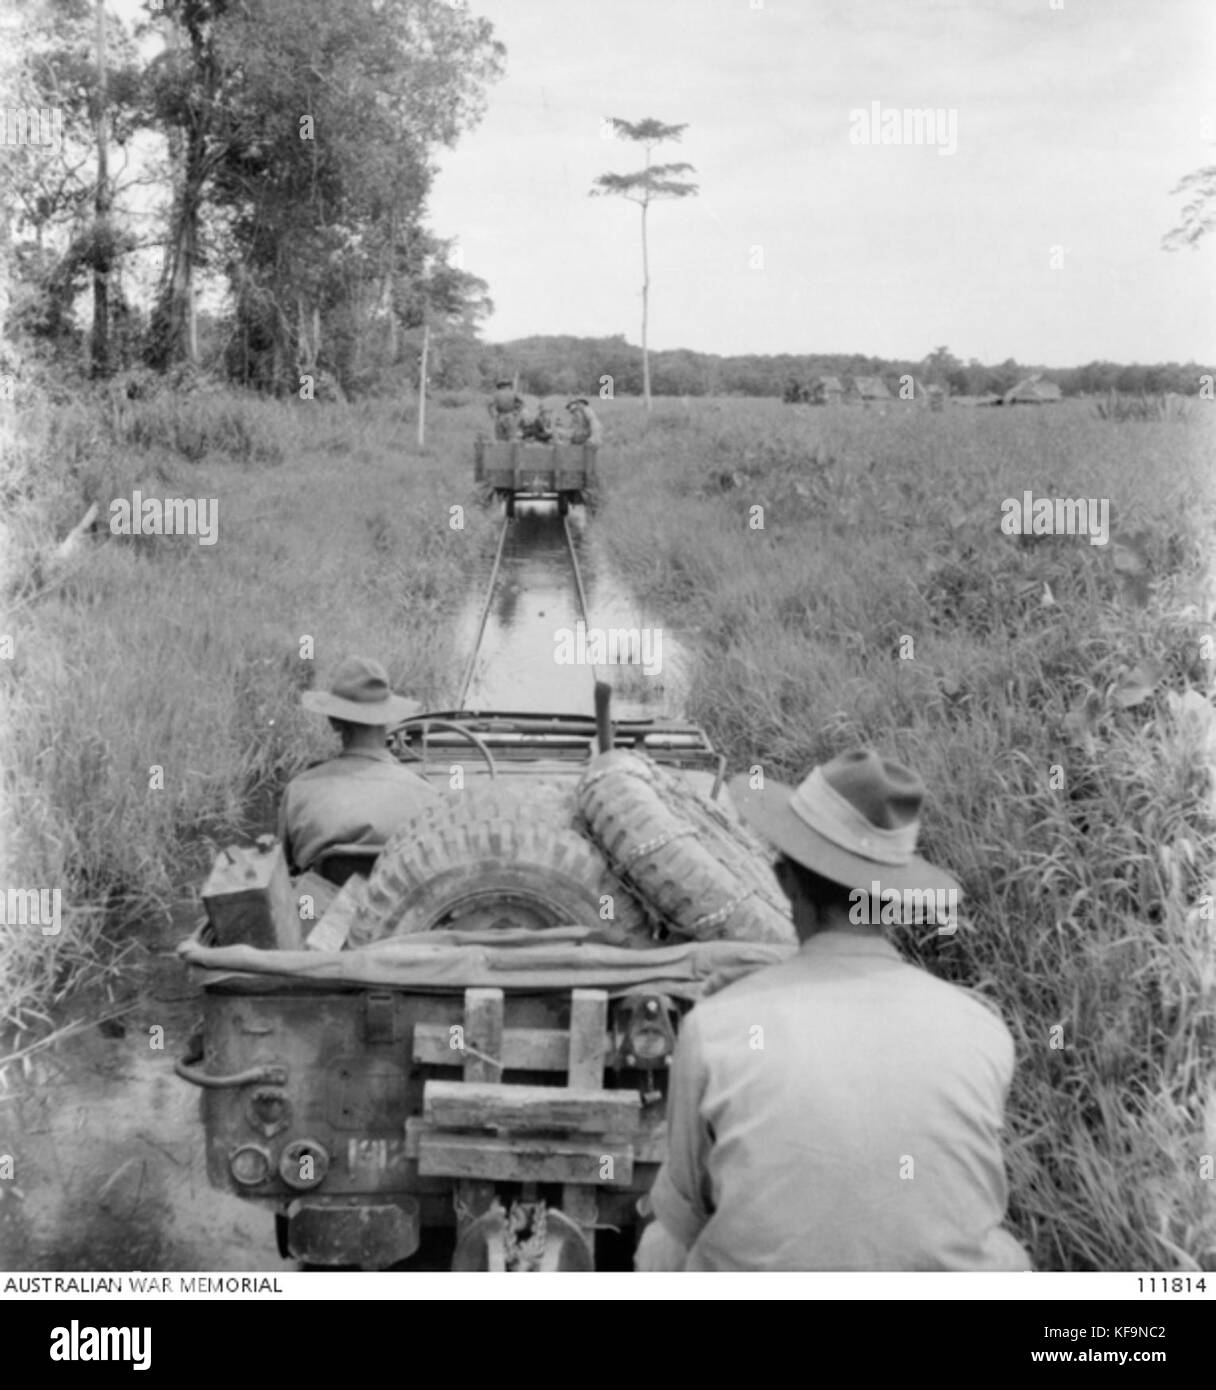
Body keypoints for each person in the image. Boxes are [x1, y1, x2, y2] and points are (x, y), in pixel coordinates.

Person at [636, 748, 1031, 1272]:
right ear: (894, 898)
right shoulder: (982, 1031)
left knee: (663, 1243)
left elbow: (687, 1212)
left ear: (783, 879)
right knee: (1004, 1252)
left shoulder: (716, 1029)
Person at [278, 655, 437, 875]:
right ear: (388, 718)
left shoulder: (299, 791)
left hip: (315, 908)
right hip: (398, 908)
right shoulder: (428, 799)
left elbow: (281, 875)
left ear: (333, 722)